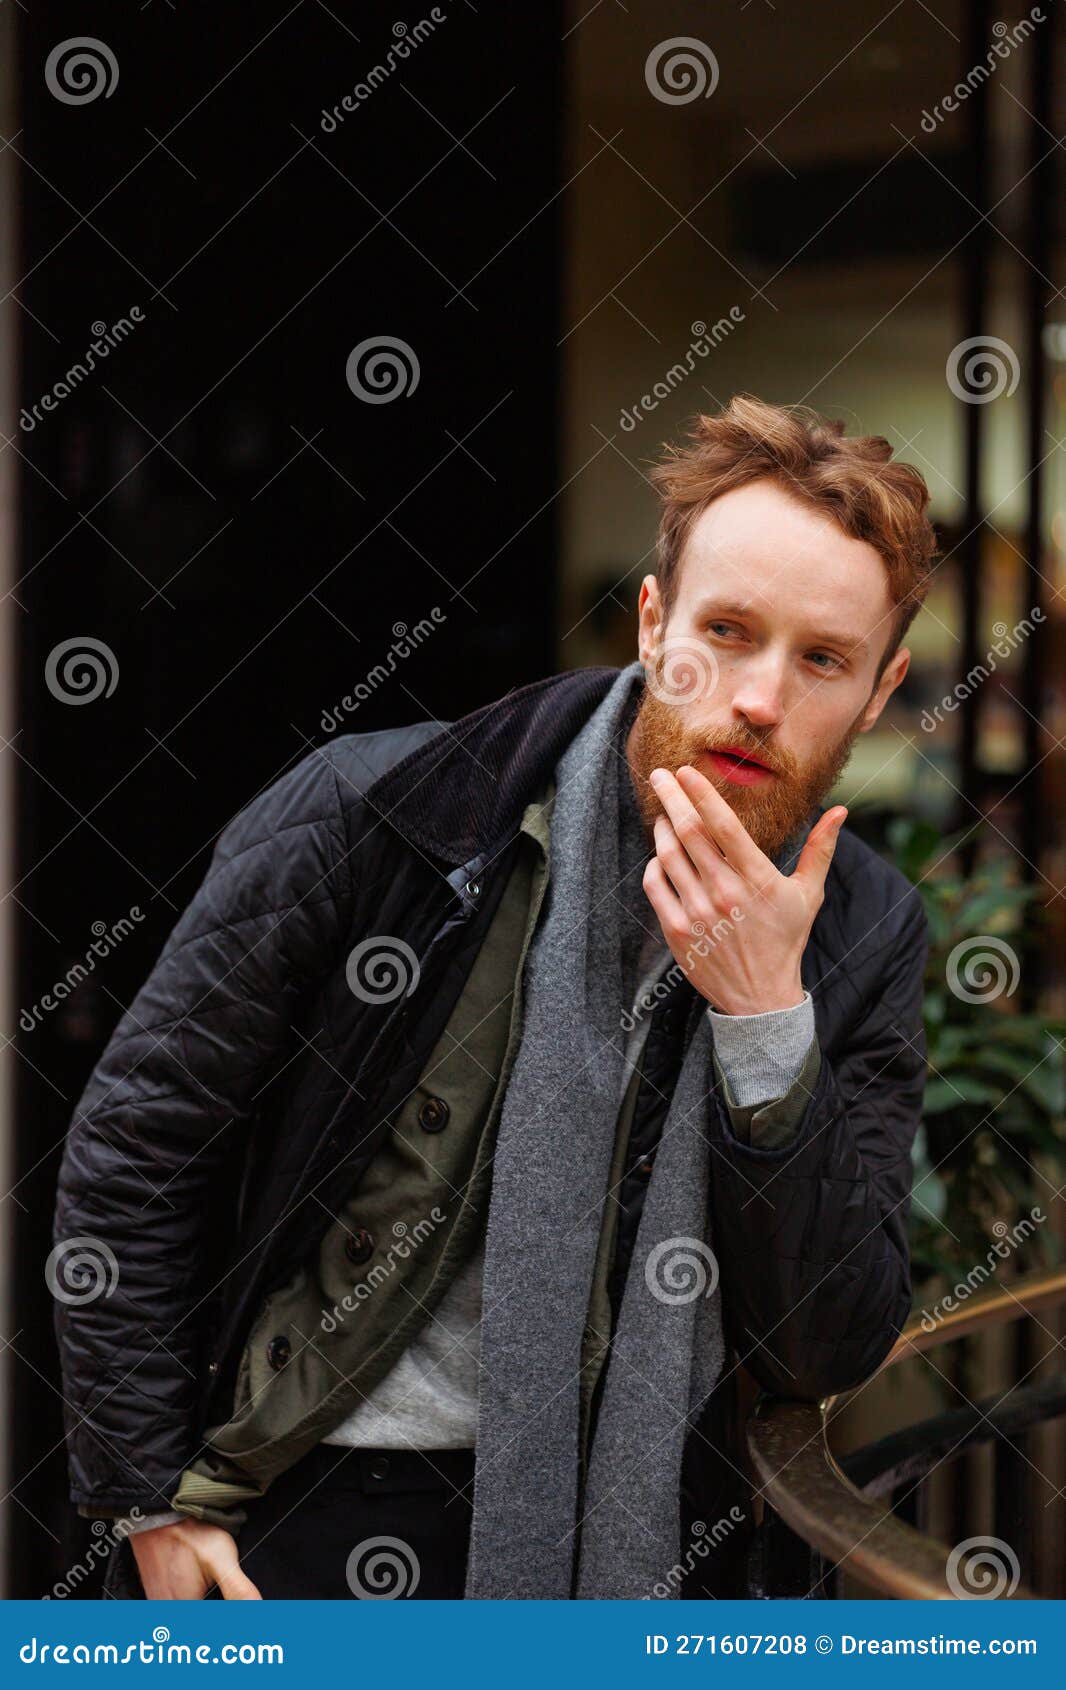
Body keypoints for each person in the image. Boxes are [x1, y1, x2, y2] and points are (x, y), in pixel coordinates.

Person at [52, 394, 935, 1600]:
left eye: (822, 658)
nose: (760, 699)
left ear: (879, 693)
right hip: (315, 1505)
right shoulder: (382, 812)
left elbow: (829, 1338)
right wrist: (144, 1497)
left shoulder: (864, 930)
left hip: (661, 1538)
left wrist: (764, 1020)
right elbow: (137, 1147)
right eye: (726, 630)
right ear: (651, 619)